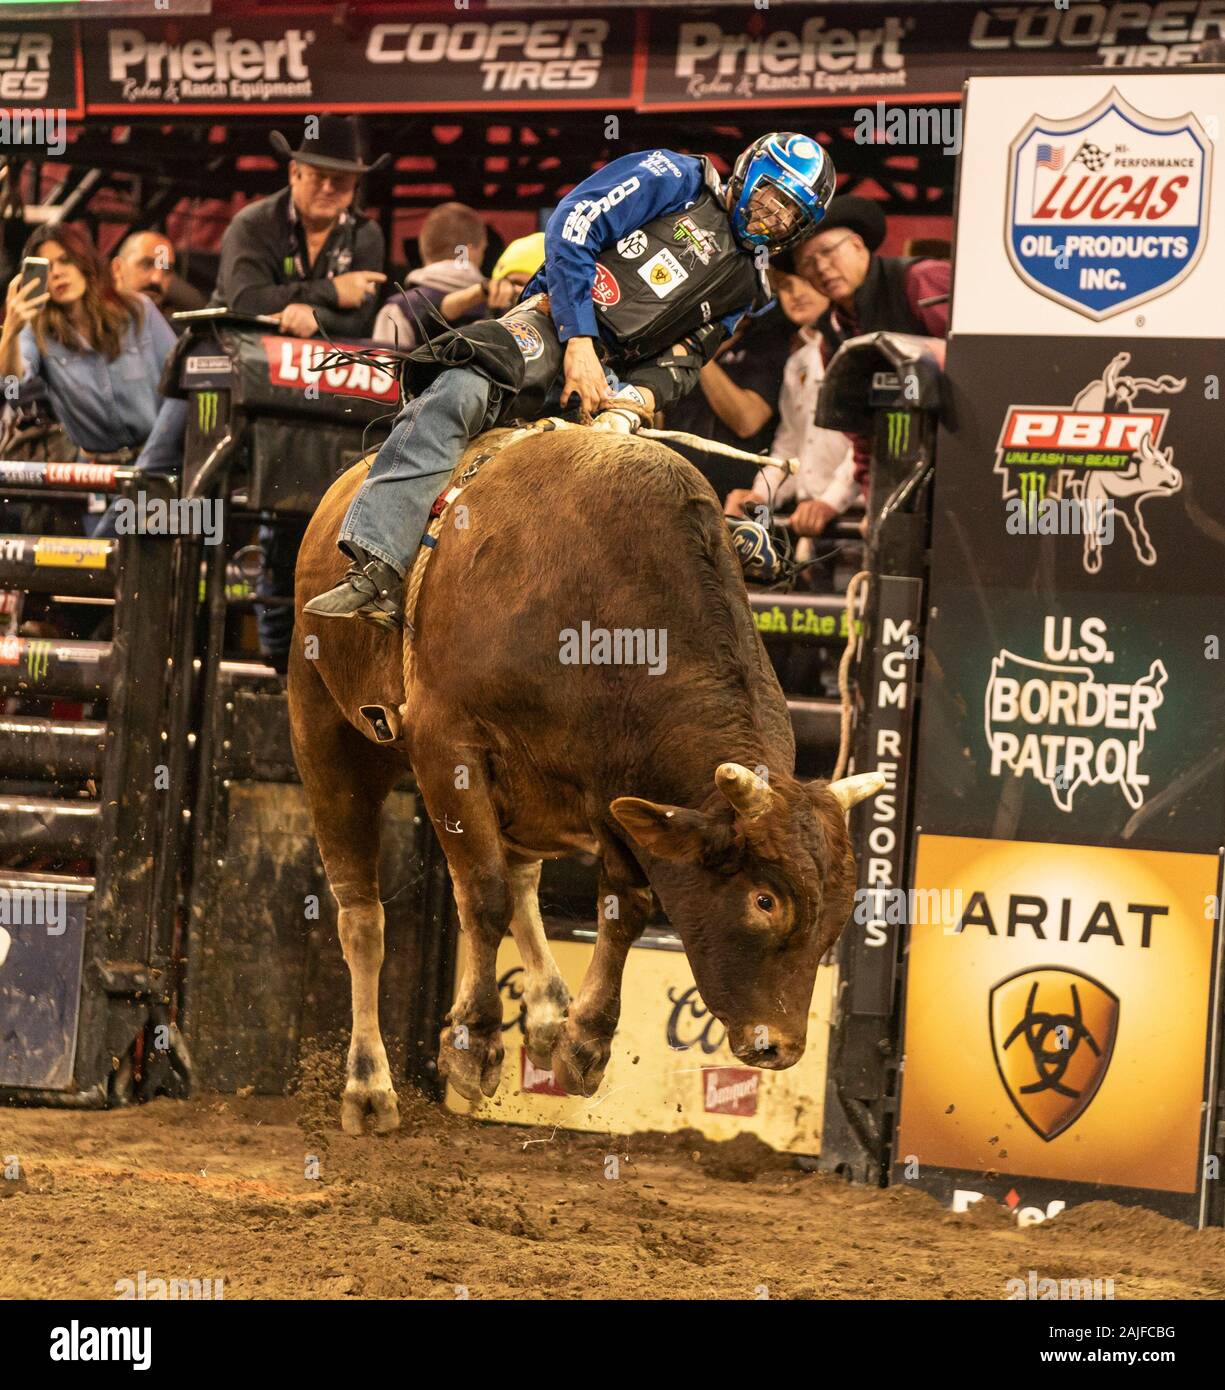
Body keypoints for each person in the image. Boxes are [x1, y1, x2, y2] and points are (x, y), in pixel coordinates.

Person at [306, 133, 837, 630]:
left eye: (789, 213)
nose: (772, 215)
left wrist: (634, 403)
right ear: (748, 174)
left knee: (643, 489)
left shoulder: (749, 284)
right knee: (458, 390)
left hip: (615, 384)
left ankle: (719, 540)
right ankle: (378, 566)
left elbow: (689, 354)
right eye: (770, 195)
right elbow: (575, 222)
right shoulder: (675, 176)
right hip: (552, 321)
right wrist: (578, 338)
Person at [800, 195, 950, 497]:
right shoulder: (832, 334)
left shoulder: (920, 280)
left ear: (857, 244)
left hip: (967, 454)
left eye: (827, 252)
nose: (821, 268)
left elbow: (983, 363)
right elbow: (861, 432)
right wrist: (874, 494)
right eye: (807, 263)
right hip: (908, 479)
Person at [0, 223, 176, 465]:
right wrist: (10, 331)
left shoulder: (137, 310)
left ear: (85, 262)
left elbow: (180, 383)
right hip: (93, 473)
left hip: (154, 464)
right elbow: (13, 391)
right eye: (46, 267)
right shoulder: (37, 331)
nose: (57, 273)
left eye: (66, 260)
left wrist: (158, 456)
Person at [725, 257, 859, 560]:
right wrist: (761, 495)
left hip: (859, 518)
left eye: (805, 280)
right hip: (811, 526)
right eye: (785, 285)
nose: (796, 293)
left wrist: (829, 502)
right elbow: (789, 445)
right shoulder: (798, 360)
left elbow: (868, 444)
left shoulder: (858, 348)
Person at [212, 114, 388, 339]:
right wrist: (333, 291)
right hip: (235, 351)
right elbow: (246, 301)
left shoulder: (366, 235)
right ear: (295, 173)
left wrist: (314, 317)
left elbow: (360, 322)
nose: (327, 188)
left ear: (355, 183)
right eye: (318, 176)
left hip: (323, 362)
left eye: (340, 180)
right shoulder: (253, 224)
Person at [375, 202, 489, 349]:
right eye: (483, 250)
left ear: (424, 247)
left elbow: (383, 369)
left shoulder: (399, 309)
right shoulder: (501, 309)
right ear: (469, 251)